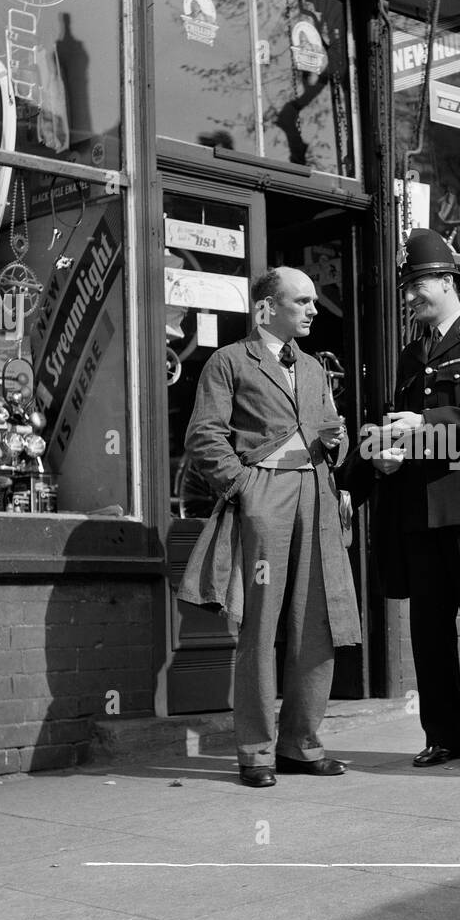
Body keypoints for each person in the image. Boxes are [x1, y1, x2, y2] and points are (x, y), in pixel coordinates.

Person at [178, 267, 360, 788]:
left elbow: (333, 437)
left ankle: (301, 745)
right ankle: (255, 751)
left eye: (312, 302)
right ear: (267, 307)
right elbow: (205, 434)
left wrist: (337, 439)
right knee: (259, 627)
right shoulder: (229, 361)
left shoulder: (315, 368)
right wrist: (243, 488)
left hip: (317, 497)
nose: (312, 310)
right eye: (301, 301)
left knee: (317, 623)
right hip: (266, 497)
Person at [355, 229, 460, 770]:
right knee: (428, 636)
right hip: (420, 512)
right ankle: (446, 736)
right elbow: (401, 426)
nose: (408, 298)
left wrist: (424, 425)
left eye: (416, 286)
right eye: (405, 288)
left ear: (448, 282)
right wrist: (383, 452)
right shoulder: (410, 355)